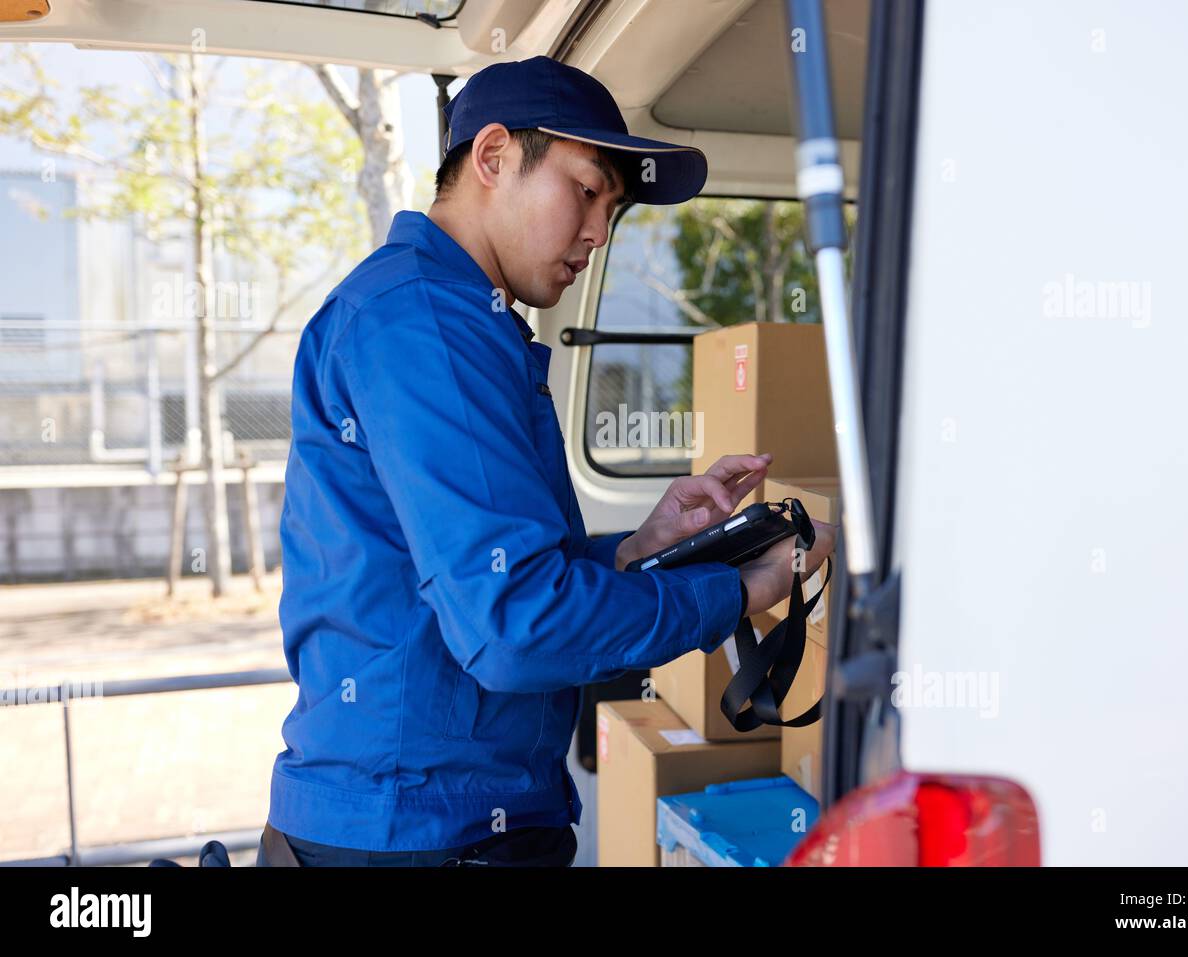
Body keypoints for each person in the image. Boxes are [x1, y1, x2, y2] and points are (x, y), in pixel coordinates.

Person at [257, 55, 834, 867]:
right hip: (421, 836)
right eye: (588, 190)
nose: (600, 232)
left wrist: (639, 549)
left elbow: (486, 570)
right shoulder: (426, 326)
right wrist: (735, 589)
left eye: (615, 210)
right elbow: (514, 627)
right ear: (492, 158)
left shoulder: (460, 321)